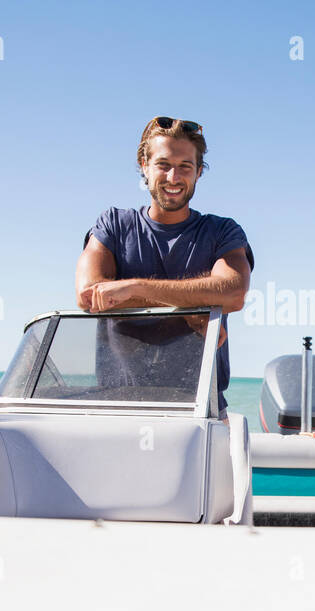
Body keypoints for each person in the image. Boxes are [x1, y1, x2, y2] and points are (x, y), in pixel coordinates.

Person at [75, 117, 254, 412]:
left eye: (185, 166)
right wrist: (192, 309)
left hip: (200, 410)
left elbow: (233, 292)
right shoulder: (114, 225)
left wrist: (134, 286)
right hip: (117, 406)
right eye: (163, 164)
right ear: (144, 165)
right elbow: (89, 295)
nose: (173, 177)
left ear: (198, 172)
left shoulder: (222, 232)